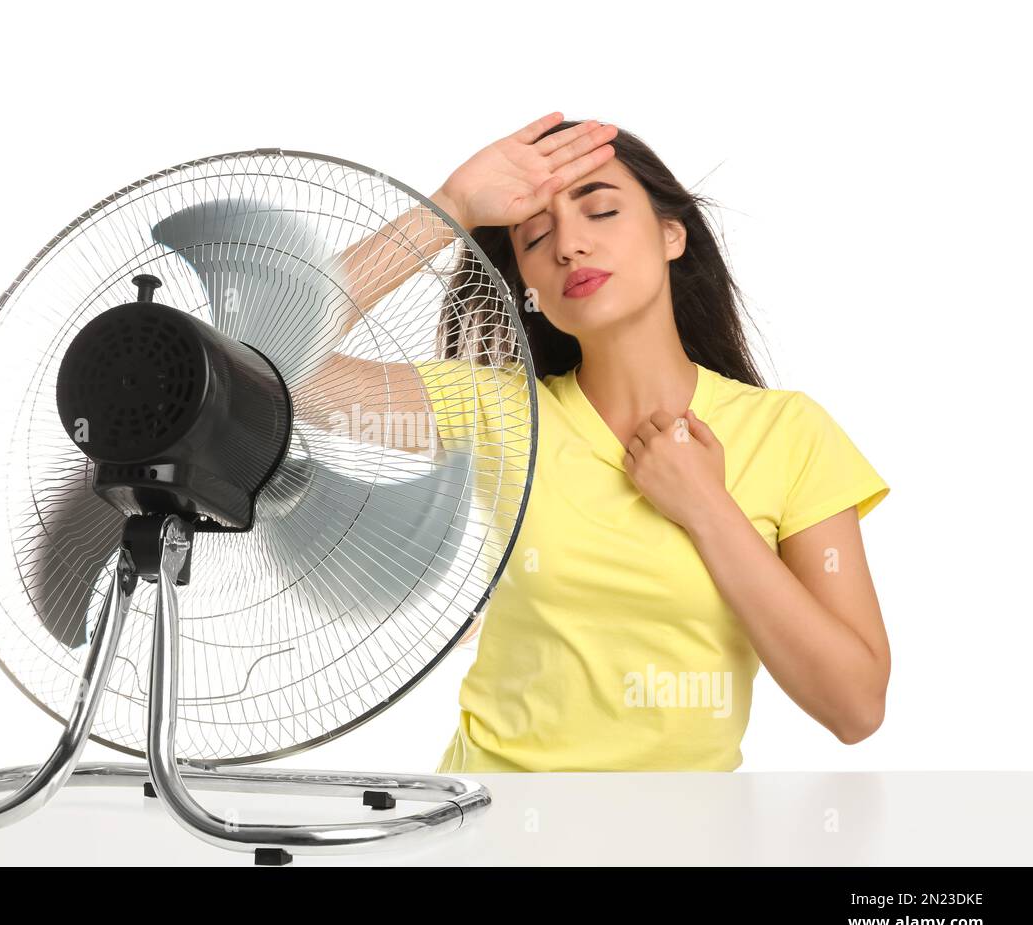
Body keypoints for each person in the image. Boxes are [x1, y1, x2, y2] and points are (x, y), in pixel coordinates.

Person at [307, 112, 891, 772]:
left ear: (673, 234)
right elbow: (270, 360)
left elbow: (856, 706)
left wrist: (707, 506)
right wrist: (451, 207)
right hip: (494, 829)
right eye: (534, 236)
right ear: (525, 283)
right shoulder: (491, 411)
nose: (568, 246)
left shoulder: (789, 433)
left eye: (602, 212)